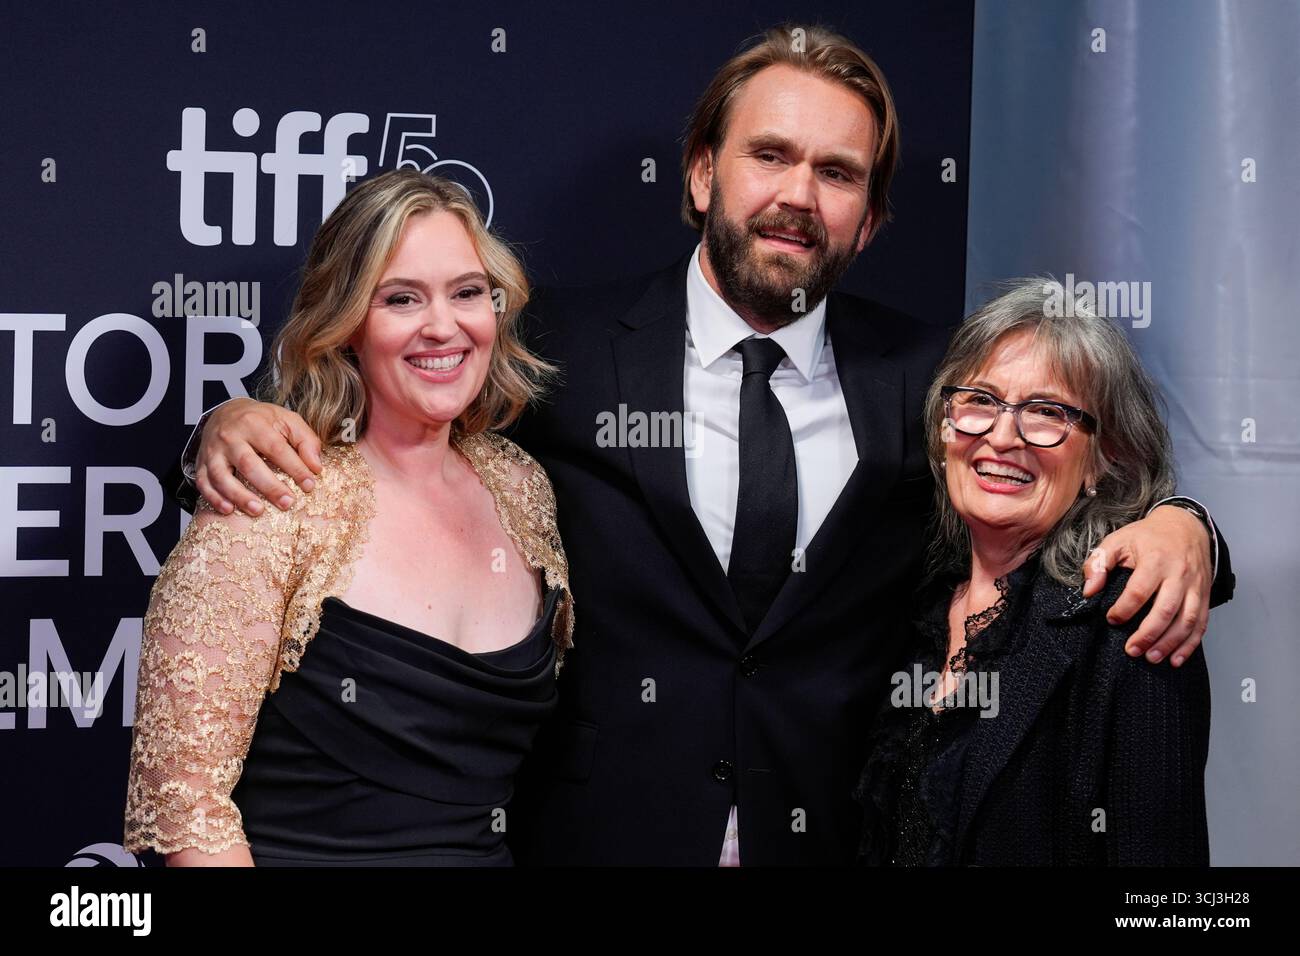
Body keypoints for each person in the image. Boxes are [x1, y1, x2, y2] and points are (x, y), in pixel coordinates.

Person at [167, 25, 1233, 865]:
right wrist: (226, 422)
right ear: (698, 175)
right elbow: (392, 407)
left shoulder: (929, 383)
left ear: (869, 219)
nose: (796, 195)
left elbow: (1051, 471)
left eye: (837, 172)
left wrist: (1186, 526)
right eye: (768, 154)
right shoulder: (555, 349)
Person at [123, 170, 574, 866]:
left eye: (466, 293)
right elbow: (189, 803)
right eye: (401, 299)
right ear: (347, 325)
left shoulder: (520, 486)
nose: (444, 326)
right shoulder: (273, 498)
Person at [855, 280, 1212, 865]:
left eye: (1047, 413)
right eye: (980, 401)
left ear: (1106, 456)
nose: (1001, 436)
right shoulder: (909, 598)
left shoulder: (1130, 623)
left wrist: (1185, 521)